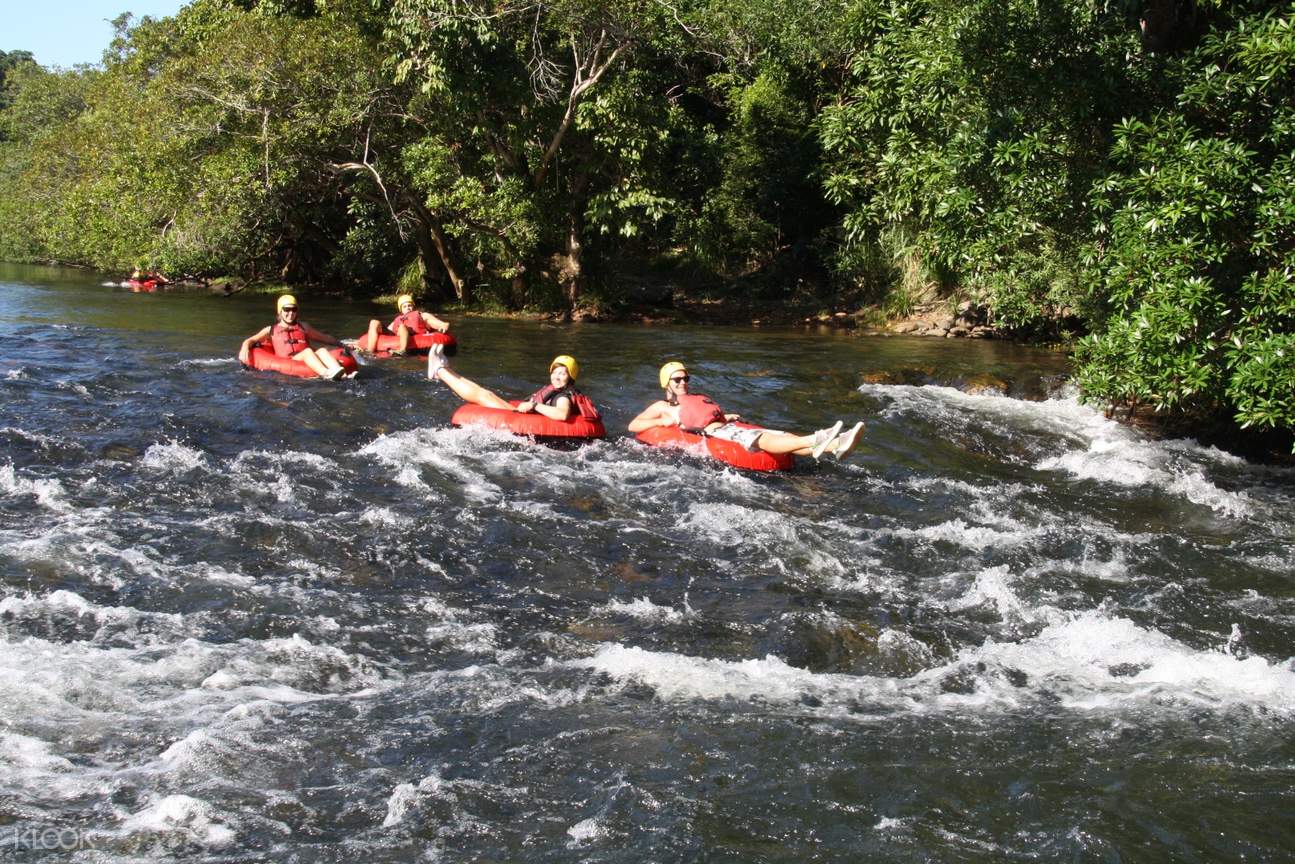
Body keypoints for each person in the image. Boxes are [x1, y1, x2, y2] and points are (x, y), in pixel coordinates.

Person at [628, 361, 864, 460]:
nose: (683, 382)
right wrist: (663, 423)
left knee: (785, 437)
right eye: (677, 379)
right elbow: (634, 425)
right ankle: (818, 437)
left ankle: (836, 446)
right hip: (714, 435)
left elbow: (702, 415)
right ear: (666, 383)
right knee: (762, 439)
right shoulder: (662, 407)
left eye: (685, 378)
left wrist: (726, 416)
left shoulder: (693, 399)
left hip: (725, 427)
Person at [427, 347, 588, 421]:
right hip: (523, 415)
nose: (557, 376)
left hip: (523, 420)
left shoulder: (563, 396)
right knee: (485, 393)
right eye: (555, 372)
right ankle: (444, 368)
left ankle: (439, 371)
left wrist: (534, 406)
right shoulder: (561, 390)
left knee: (482, 395)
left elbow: (562, 414)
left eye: (562, 373)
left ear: (571, 377)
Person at [238, 294, 350, 380]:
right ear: (280, 311)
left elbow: (324, 338)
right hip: (289, 361)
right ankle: (326, 373)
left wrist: (341, 344)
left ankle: (343, 374)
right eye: (287, 309)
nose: (290, 313)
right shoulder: (270, 330)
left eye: (294, 309)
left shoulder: (304, 326)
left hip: (306, 359)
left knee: (321, 350)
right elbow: (251, 340)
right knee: (308, 352)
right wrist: (245, 347)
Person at [361, 294, 449, 355]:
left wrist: (443, 327)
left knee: (402, 326)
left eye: (409, 305)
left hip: (413, 334)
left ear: (413, 306)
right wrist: (358, 343)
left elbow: (443, 324)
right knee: (374, 322)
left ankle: (402, 351)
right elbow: (387, 332)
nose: (407, 308)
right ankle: (370, 351)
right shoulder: (397, 319)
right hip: (397, 334)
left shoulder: (422, 315)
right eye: (404, 306)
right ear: (401, 309)